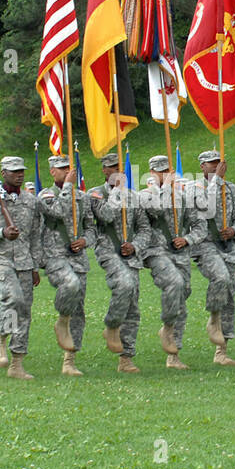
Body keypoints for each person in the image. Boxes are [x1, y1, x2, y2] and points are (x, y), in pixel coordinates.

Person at [0, 158, 42, 379]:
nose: (19, 175)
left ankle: (17, 363)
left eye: (21, 171)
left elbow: (34, 236)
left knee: (23, 311)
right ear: (3, 173)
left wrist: (34, 265)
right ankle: (0, 338)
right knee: (12, 299)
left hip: (24, 261)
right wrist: (1, 233)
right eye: (14, 172)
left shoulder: (30, 202)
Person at [88, 152, 151, 372]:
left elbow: (144, 228)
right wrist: (116, 193)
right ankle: (112, 324)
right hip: (107, 251)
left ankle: (126, 358)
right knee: (124, 284)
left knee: (133, 305)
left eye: (119, 167)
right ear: (104, 170)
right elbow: (104, 216)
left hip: (130, 255)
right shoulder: (95, 194)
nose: (116, 170)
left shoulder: (134, 197)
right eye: (111, 167)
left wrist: (136, 246)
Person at [36, 155, 96, 375]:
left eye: (69, 168)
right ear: (53, 171)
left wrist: (85, 240)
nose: (67, 171)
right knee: (70, 285)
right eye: (61, 169)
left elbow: (91, 227)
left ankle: (69, 359)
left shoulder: (82, 197)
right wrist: (68, 186)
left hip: (78, 258)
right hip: (54, 255)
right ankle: (62, 318)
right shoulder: (46, 195)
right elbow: (57, 212)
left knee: (79, 310)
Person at [140, 154, 201, 368]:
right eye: (161, 172)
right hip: (156, 252)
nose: (165, 175)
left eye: (168, 171)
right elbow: (156, 210)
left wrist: (187, 239)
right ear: (152, 173)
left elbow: (199, 225)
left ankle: (174, 355)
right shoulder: (145, 195)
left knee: (182, 296)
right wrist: (166, 188)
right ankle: (167, 327)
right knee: (174, 283)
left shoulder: (182, 198)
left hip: (180, 253)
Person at [193, 151, 235, 366]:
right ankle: (214, 317)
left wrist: (234, 230)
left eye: (218, 163)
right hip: (206, 244)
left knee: (230, 295)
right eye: (211, 164)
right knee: (221, 278)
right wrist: (216, 181)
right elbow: (205, 209)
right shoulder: (193, 188)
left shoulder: (232, 189)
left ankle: (221, 350)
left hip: (230, 246)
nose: (216, 167)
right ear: (202, 167)